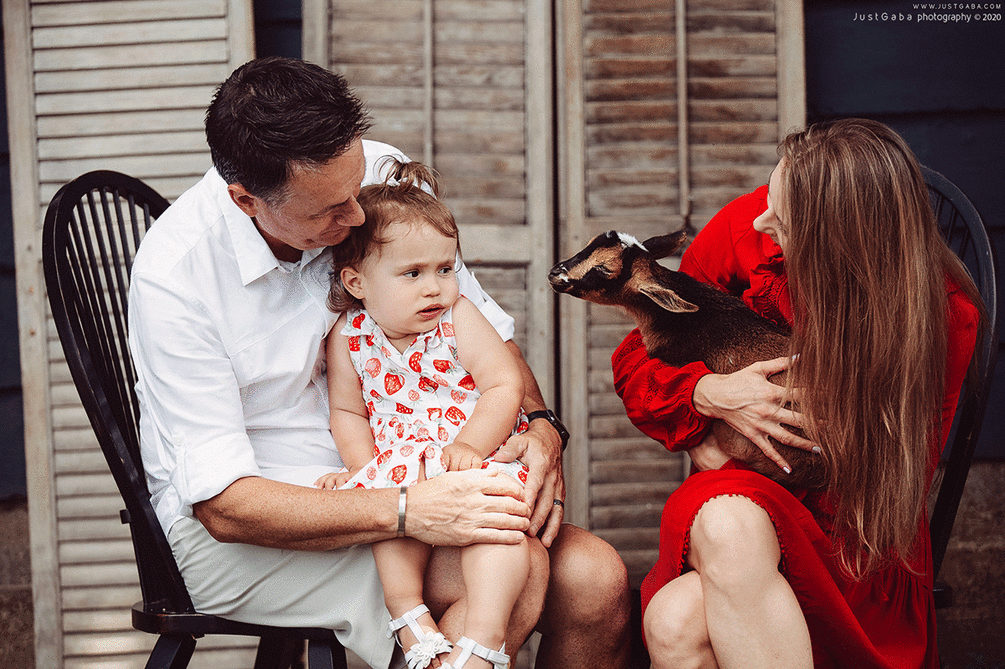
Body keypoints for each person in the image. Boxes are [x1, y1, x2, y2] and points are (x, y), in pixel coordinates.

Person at [127, 56, 630, 669]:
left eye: (354, 185)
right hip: (261, 519)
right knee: (513, 569)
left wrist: (544, 427)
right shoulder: (176, 277)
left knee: (597, 581)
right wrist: (408, 510)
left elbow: (479, 336)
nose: (357, 216)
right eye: (328, 211)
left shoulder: (381, 178)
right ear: (246, 200)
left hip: (403, 475)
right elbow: (224, 507)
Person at [612, 118, 983, 668]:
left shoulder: (943, 316)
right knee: (724, 526)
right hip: (741, 495)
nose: (760, 218)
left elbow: (889, 477)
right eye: (770, 195)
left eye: (782, 219)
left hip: (855, 533)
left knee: (674, 623)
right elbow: (640, 354)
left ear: (839, 244)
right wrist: (706, 393)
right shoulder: (748, 230)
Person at [316, 157, 534, 669]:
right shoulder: (349, 336)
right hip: (402, 462)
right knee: (388, 525)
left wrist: (472, 445)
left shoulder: (458, 318)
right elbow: (348, 412)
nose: (434, 287)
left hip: (469, 455)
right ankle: (408, 617)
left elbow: (505, 384)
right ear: (357, 282)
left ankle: (484, 636)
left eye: (445, 269)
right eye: (412, 274)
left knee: (497, 523)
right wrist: (362, 468)